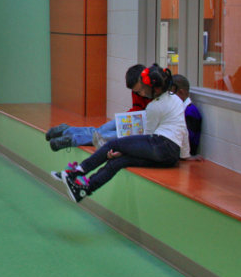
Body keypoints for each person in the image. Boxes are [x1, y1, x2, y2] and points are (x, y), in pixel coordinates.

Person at [53, 64, 188, 202]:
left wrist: (125, 149)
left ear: (156, 89)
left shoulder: (154, 106)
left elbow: (147, 137)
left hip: (159, 144)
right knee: (119, 161)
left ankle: (76, 173)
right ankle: (84, 189)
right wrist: (185, 155)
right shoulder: (176, 100)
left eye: (144, 88)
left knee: (113, 144)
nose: (141, 90)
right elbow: (184, 130)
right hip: (171, 157)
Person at [45, 63, 152, 151]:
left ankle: (72, 139)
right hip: (134, 120)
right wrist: (124, 119)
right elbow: (137, 108)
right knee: (101, 129)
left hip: (144, 129)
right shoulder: (137, 92)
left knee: (109, 136)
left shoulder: (155, 95)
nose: (141, 93)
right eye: (137, 92)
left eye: (141, 90)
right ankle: (67, 130)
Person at [170, 74, 203, 159]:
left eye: (171, 94)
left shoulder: (191, 111)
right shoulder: (179, 108)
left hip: (186, 151)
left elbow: (187, 136)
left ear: (181, 92)